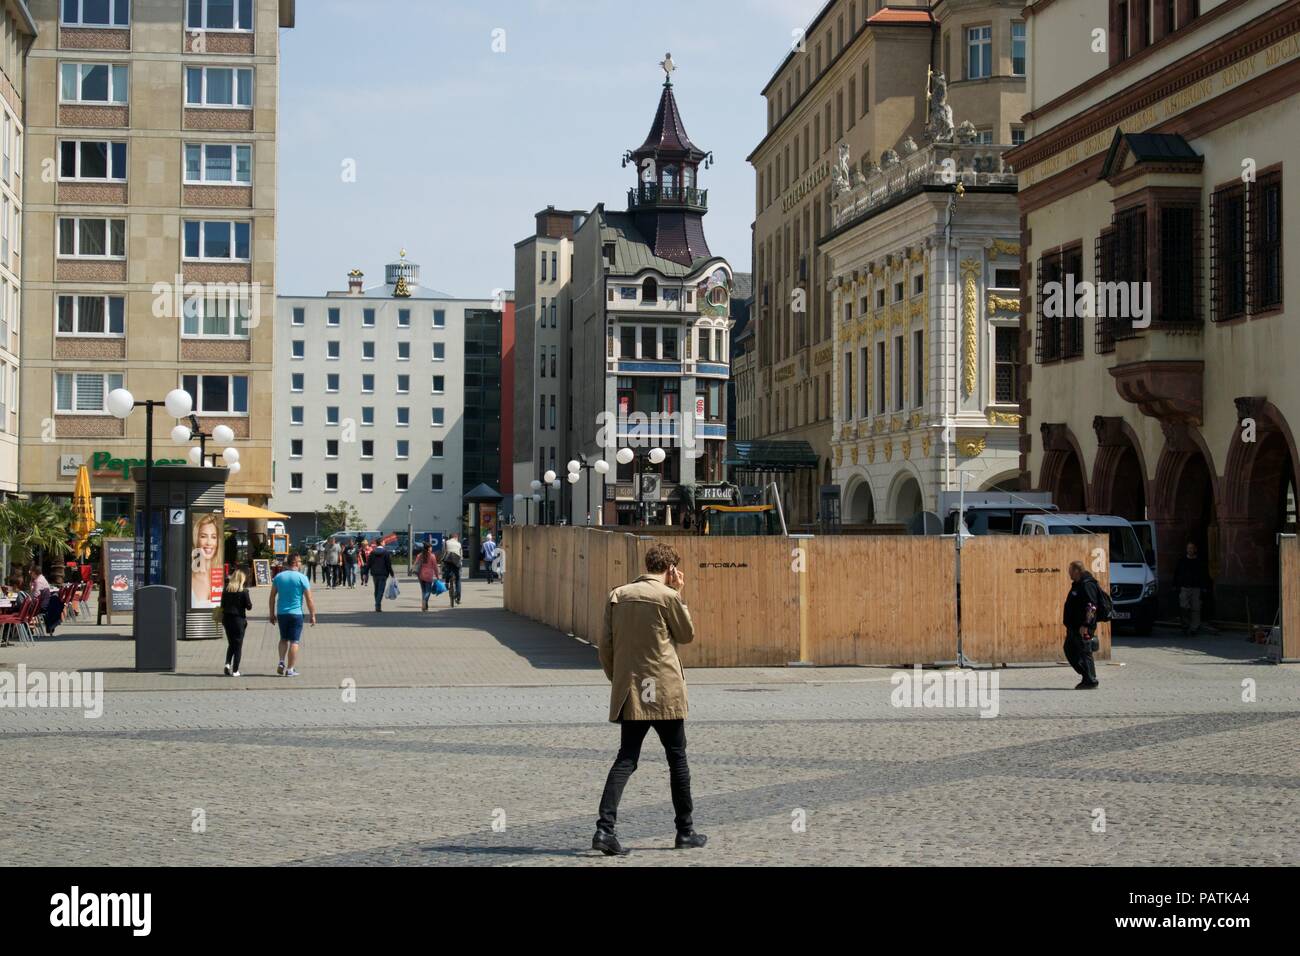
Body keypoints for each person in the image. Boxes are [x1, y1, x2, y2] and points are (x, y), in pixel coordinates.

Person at [592, 542, 705, 856]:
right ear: (670, 570)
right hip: (664, 690)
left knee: (626, 758)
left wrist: (619, 679)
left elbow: (605, 647)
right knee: (677, 758)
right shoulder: (668, 597)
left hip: (632, 691)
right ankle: (685, 831)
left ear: (647, 564)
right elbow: (686, 635)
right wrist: (679, 594)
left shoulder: (618, 596)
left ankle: (605, 829)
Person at [270, 552, 316, 677]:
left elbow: (272, 596)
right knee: (294, 641)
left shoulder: (279, 577)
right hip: (296, 614)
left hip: (281, 613)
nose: (301, 563)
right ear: (295, 562)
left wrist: (271, 613)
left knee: (283, 639)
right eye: (300, 561)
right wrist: (312, 614)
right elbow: (309, 599)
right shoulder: (302, 578)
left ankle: (281, 661)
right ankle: (290, 669)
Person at [1063, 559, 1102, 690]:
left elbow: (1091, 606)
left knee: (1085, 652)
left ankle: (1091, 680)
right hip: (1074, 627)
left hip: (1082, 627)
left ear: (1076, 571)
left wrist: (1086, 624)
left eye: (1070, 571)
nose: (1069, 574)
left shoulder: (1087, 585)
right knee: (1069, 650)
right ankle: (1087, 675)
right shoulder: (1078, 584)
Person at [221, 569, 253, 676]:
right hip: (238, 620)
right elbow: (249, 607)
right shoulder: (244, 591)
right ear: (241, 579)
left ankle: (227, 664)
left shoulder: (226, 590)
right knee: (238, 645)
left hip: (226, 620)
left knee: (231, 643)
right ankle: (235, 670)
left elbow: (222, 606)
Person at [1174, 542, 1211, 635]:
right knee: (1184, 607)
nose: (1190, 550)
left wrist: (1204, 586)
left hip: (1196, 588)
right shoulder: (1182, 561)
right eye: (1188, 548)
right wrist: (1175, 585)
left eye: (1192, 548)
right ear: (1186, 549)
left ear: (1195, 549)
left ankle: (1194, 627)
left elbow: (1204, 575)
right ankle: (1185, 625)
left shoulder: (1199, 562)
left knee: (1196, 608)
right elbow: (1177, 573)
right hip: (1184, 587)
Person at [191, 514, 222, 610]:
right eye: (203, 536)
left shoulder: (219, 574)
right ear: (196, 539)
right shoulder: (189, 577)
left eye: (213, 537)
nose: (209, 542)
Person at [367, 538, 394, 612]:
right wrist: (392, 573)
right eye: (384, 542)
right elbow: (388, 564)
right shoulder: (386, 553)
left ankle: (377, 604)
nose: (385, 543)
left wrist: (365, 573)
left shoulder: (372, 552)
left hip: (375, 573)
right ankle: (377, 604)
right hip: (383, 574)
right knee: (381, 590)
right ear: (381, 543)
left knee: (376, 589)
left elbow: (369, 563)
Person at [414, 543, 439, 611]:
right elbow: (435, 567)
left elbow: (415, 564)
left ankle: (425, 606)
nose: (431, 548)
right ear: (428, 548)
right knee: (428, 591)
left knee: (423, 591)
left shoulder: (419, 555)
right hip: (428, 576)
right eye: (431, 547)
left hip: (421, 575)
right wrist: (437, 576)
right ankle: (424, 602)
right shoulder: (432, 556)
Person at [441, 534, 463, 607]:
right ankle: (458, 597)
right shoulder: (459, 543)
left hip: (449, 559)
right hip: (457, 561)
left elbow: (444, 552)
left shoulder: (446, 542)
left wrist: (442, 561)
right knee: (458, 579)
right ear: (455, 537)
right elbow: (461, 555)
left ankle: (447, 583)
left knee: (447, 570)